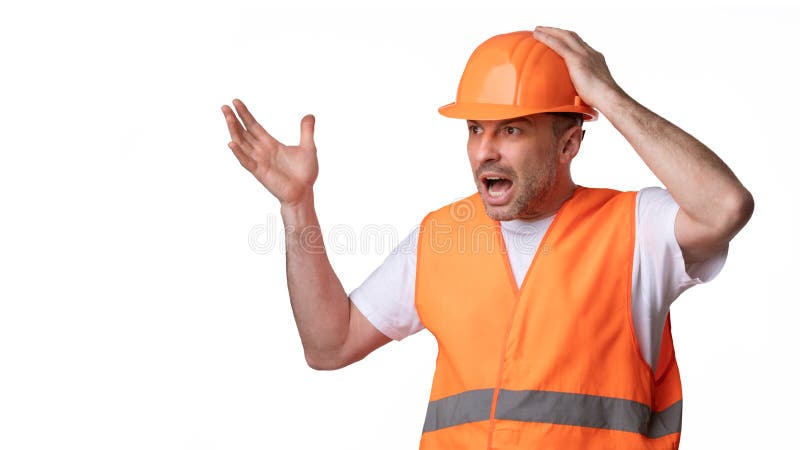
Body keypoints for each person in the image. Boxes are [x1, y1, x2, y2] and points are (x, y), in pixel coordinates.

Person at [221, 27, 753, 449]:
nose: (485, 151)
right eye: (476, 128)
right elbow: (328, 344)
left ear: (569, 144)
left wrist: (607, 97)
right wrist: (296, 203)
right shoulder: (441, 238)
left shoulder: (637, 229)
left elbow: (725, 206)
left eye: (512, 129)